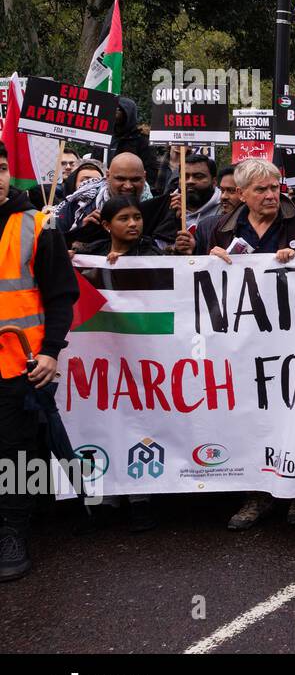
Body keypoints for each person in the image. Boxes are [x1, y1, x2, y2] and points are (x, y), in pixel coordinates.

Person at [209, 158, 295, 532]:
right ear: (241, 193)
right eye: (260, 189)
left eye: (275, 187)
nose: (270, 194)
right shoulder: (223, 227)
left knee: (294, 409)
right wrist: (209, 260)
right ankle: (257, 493)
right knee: (253, 413)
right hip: (246, 342)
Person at [0, 142, 79, 582]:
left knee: (15, 453)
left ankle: (14, 530)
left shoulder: (38, 225)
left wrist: (51, 350)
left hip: (20, 364)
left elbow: (61, 295)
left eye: (2, 167)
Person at [55, 153, 172, 250]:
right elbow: (54, 243)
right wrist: (81, 229)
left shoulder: (158, 210)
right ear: (107, 176)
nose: (128, 186)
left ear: (144, 177)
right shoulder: (81, 204)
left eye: (135, 179)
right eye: (120, 179)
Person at [80, 194, 163, 262]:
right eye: (124, 219)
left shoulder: (154, 255)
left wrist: (126, 261)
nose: (133, 224)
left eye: (137, 218)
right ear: (106, 225)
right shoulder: (94, 251)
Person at [177, 165, 239, 256]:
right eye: (222, 191)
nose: (224, 197)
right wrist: (192, 250)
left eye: (231, 191)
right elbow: (198, 263)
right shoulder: (206, 226)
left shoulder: (259, 225)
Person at [109, 97, 160, 187]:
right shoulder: (106, 138)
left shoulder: (141, 141)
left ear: (128, 113)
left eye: (119, 109)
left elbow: (151, 172)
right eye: (113, 108)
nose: (115, 112)